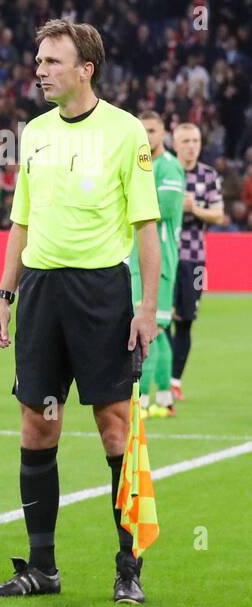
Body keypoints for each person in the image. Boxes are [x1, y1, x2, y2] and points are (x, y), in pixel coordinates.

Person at [0, 20, 160, 605]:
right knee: (38, 424)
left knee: (115, 427)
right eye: (38, 60)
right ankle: (41, 567)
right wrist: (4, 295)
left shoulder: (125, 131)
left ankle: (128, 567)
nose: (40, 70)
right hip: (40, 291)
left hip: (101, 294)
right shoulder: (31, 133)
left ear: (86, 69)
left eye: (53, 61)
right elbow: (21, 221)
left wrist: (147, 307)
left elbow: (146, 229)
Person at [128, 112, 185, 418]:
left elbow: (159, 209)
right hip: (137, 260)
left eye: (152, 130)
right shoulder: (143, 166)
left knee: (150, 330)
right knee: (158, 331)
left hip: (158, 262)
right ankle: (163, 399)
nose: (147, 136)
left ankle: (144, 403)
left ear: (163, 133)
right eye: (143, 130)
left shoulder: (170, 168)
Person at [170, 123, 224, 400]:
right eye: (186, 141)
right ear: (175, 144)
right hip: (166, 255)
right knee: (161, 319)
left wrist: (195, 208)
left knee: (187, 320)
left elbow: (218, 215)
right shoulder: (166, 171)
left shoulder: (208, 175)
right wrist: (174, 206)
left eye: (196, 140)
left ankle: (175, 380)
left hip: (195, 258)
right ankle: (161, 377)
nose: (192, 145)